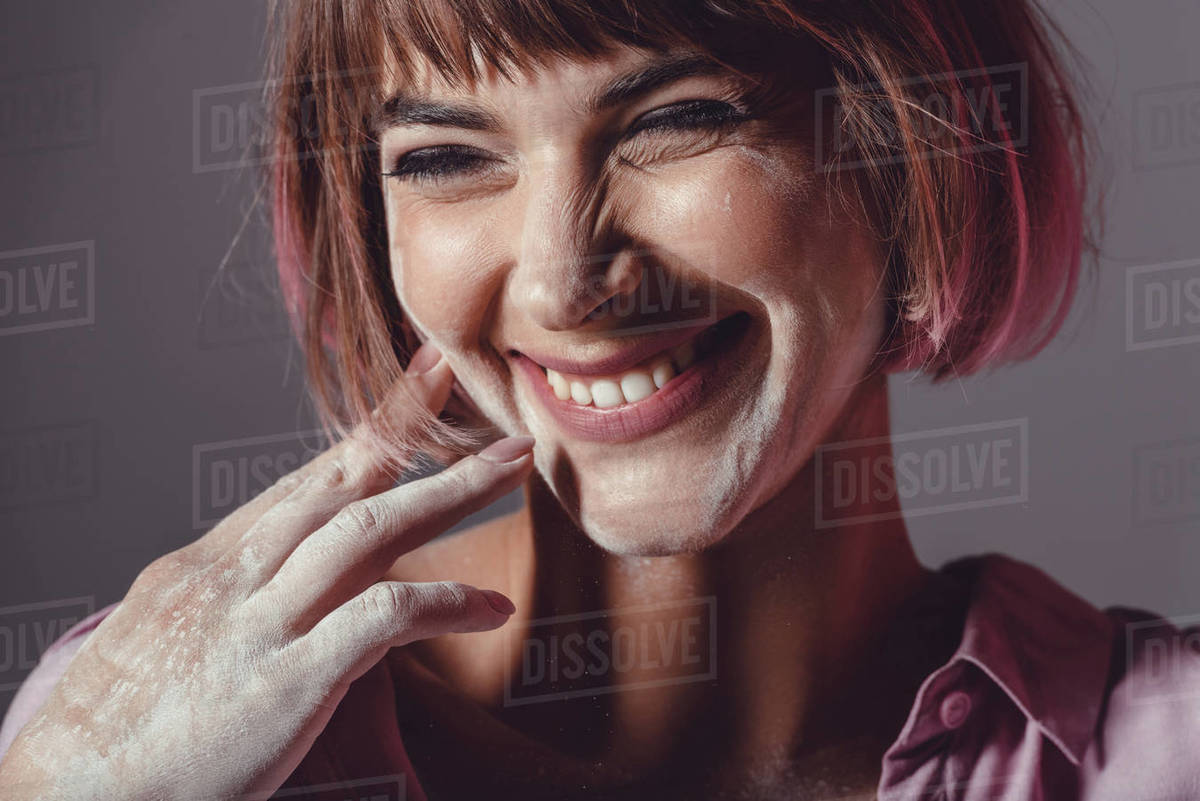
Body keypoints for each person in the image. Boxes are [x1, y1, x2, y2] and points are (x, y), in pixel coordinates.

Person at [2, 1, 1198, 799]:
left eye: (677, 120)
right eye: (446, 156)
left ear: (915, 151)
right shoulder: (130, 734)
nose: (565, 283)